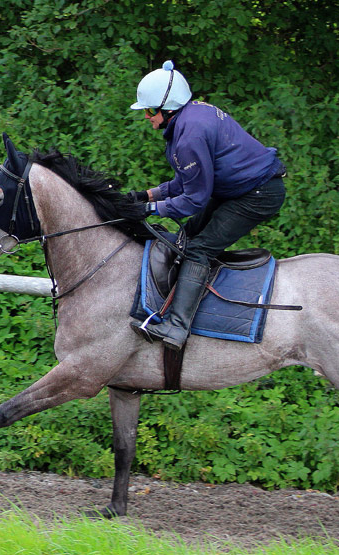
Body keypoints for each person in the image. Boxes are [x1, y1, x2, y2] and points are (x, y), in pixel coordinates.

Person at [127, 60, 286, 351]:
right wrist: (146, 196)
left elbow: (194, 199)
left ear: (168, 107)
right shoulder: (191, 115)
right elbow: (188, 181)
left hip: (257, 193)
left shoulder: (190, 134)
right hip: (239, 187)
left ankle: (177, 328)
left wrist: (150, 211)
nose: (147, 117)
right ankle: (173, 303)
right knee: (187, 237)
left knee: (200, 249)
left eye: (149, 111)